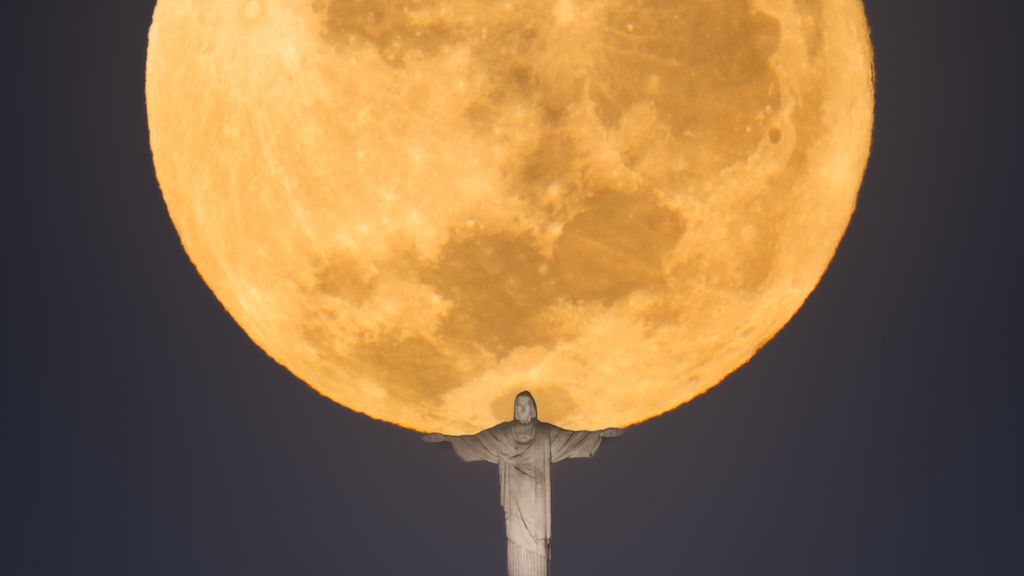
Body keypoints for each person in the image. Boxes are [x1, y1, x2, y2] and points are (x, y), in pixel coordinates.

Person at [423, 391, 623, 576]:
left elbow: (570, 439)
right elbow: (478, 441)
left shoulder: (544, 433)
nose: (522, 409)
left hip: (537, 501)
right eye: (518, 405)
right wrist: (448, 439)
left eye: (525, 405)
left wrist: (598, 434)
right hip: (515, 500)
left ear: (533, 409)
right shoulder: (504, 433)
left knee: (536, 544)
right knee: (516, 540)